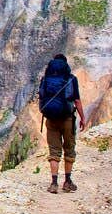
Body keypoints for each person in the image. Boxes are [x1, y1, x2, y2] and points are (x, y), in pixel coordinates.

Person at [36, 53, 86, 193]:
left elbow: (41, 97)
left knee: (54, 151)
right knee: (69, 149)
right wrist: (82, 117)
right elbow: (77, 101)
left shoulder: (45, 80)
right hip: (67, 119)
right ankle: (68, 181)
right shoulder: (71, 79)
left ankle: (53, 183)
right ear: (66, 65)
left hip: (51, 119)